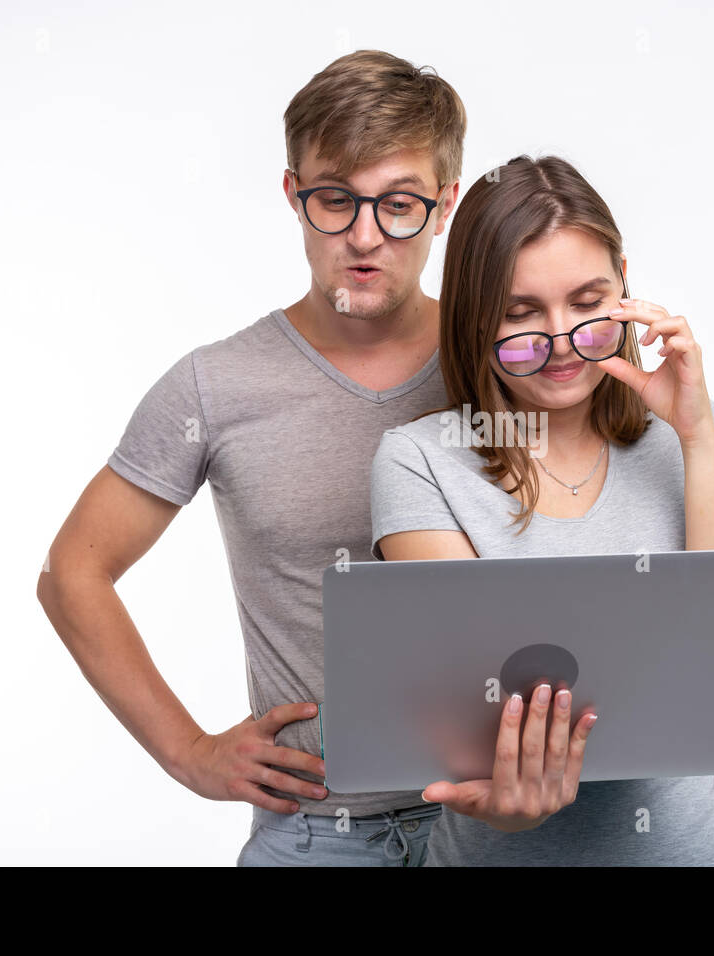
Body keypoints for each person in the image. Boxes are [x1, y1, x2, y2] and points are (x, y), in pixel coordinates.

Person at [36, 49, 467, 866]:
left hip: (494, 824)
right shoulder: (215, 385)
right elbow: (72, 573)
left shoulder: (500, 365)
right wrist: (188, 751)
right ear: (291, 195)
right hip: (314, 833)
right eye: (334, 200)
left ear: (444, 205)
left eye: (400, 204)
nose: (364, 236)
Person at [370, 154, 714, 865]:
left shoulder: (692, 434)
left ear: (624, 281)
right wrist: (513, 810)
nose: (559, 343)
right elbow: (462, 722)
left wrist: (699, 438)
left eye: (588, 303)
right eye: (521, 315)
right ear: (473, 317)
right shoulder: (418, 460)